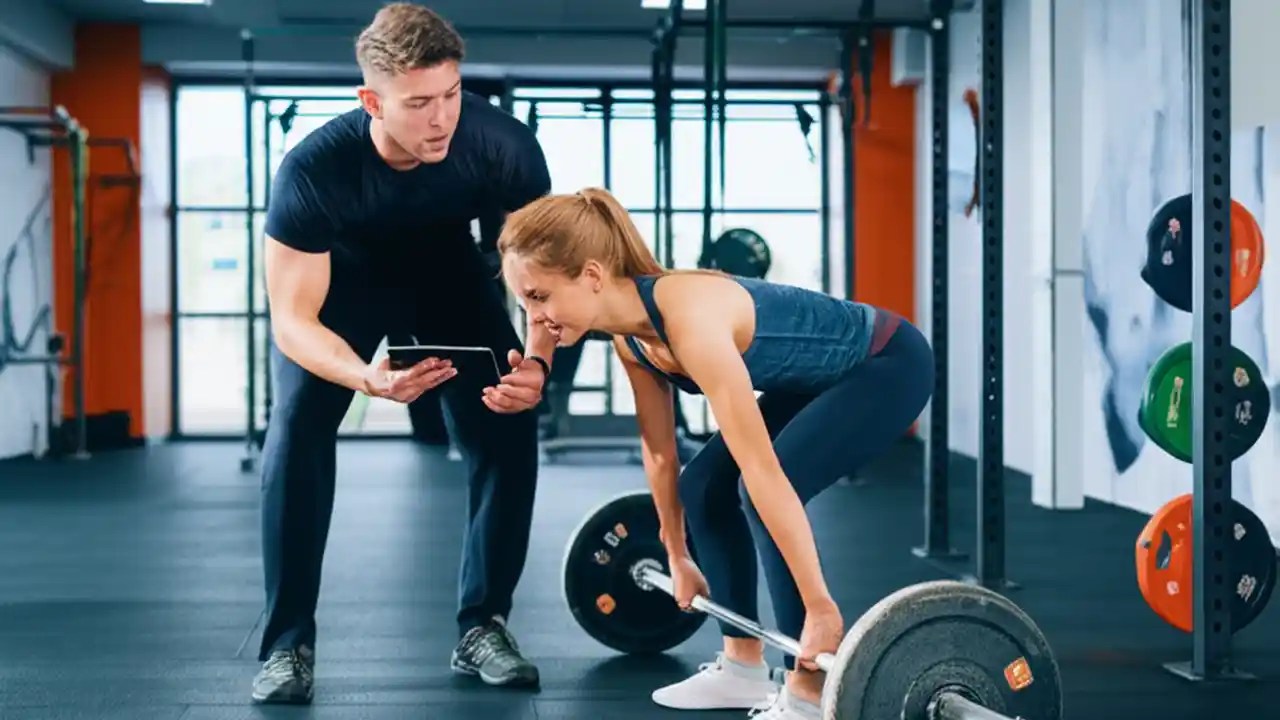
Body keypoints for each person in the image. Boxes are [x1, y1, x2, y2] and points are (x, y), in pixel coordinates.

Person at [496, 188, 935, 720]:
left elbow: (763, 472)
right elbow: (660, 455)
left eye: (539, 297)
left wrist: (820, 605)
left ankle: (810, 687)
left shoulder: (689, 320)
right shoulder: (630, 339)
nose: (534, 318)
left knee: (763, 484)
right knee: (702, 484)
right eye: (524, 303)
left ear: (591, 275)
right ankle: (743, 667)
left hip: (886, 362)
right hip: (815, 379)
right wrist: (677, 554)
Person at [253, 3, 556, 704]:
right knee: (297, 432)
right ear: (371, 101)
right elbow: (293, 320)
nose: (441, 117)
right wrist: (362, 376)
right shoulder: (314, 170)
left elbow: (549, 280)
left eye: (451, 94)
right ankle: (287, 644)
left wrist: (537, 364)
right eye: (419, 103)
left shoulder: (503, 145)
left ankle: (484, 625)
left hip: (450, 276)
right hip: (344, 286)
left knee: (508, 422)